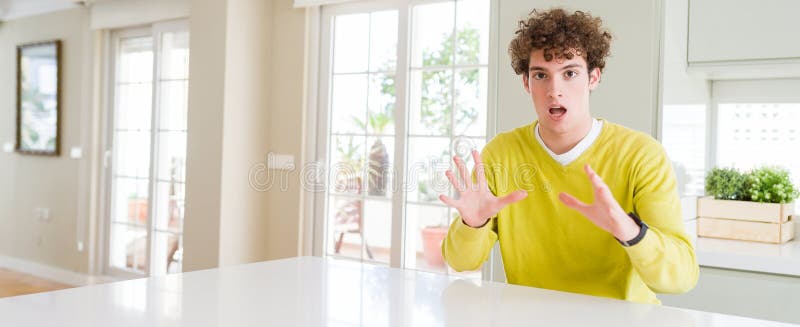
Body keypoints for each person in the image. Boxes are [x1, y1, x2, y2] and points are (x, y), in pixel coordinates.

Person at [438, 8, 698, 304]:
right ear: (526, 83)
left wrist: (629, 230)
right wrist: (473, 224)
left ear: (594, 78)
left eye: (570, 73)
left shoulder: (641, 155)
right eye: (540, 75)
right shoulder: (501, 154)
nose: (554, 90)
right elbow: (461, 262)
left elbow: (682, 277)